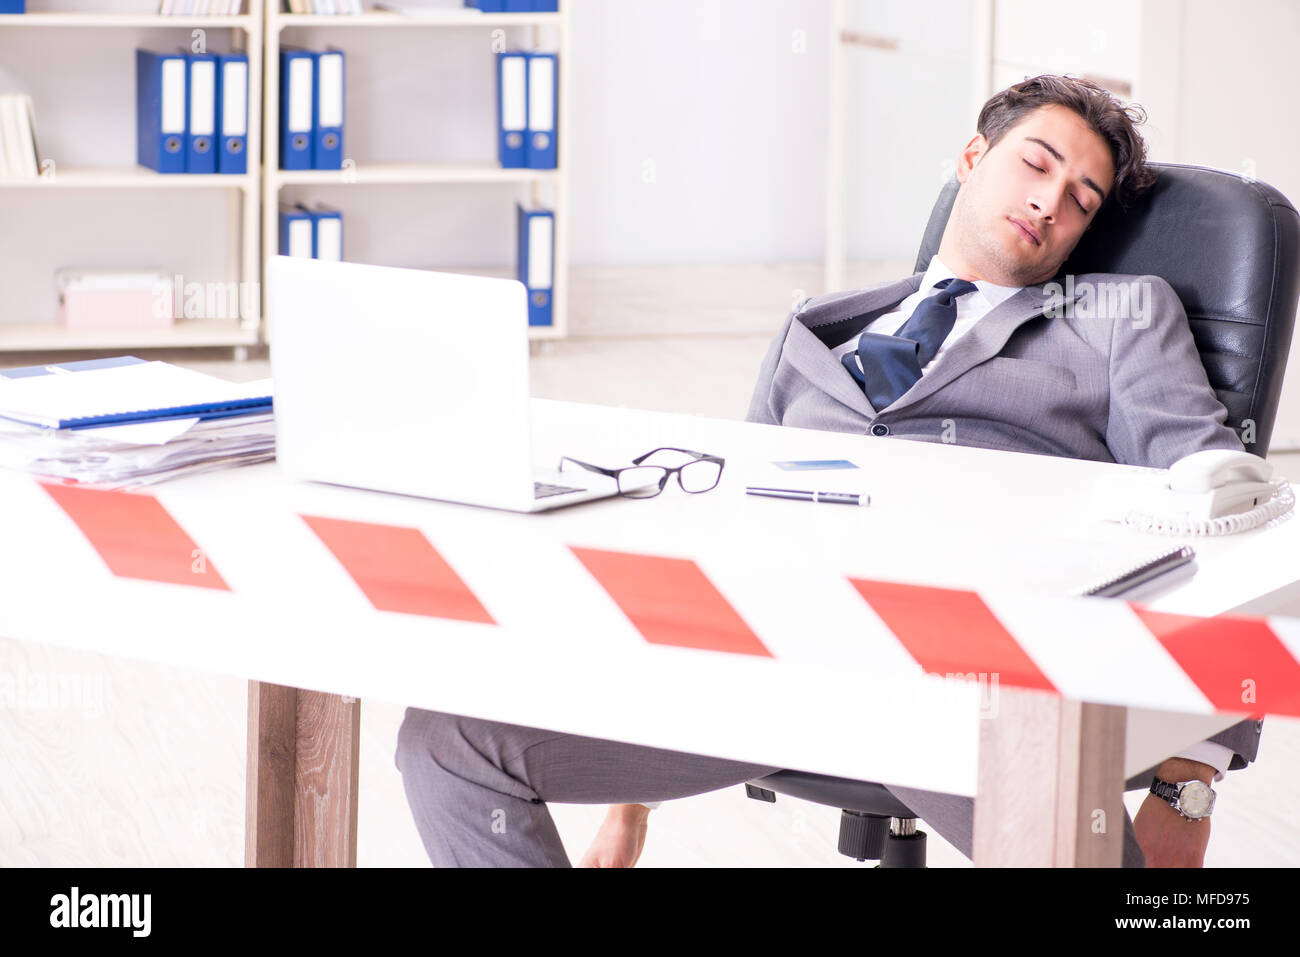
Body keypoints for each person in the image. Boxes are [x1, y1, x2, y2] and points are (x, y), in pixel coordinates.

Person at [395, 75, 1260, 868]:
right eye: (1036, 164)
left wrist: (1189, 780)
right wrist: (631, 811)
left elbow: (1218, 500)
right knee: (446, 741)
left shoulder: (1119, 316)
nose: (1049, 201)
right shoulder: (816, 327)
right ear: (971, 157)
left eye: (1081, 199)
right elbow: (718, 530)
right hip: (771, 662)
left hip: (949, 686)